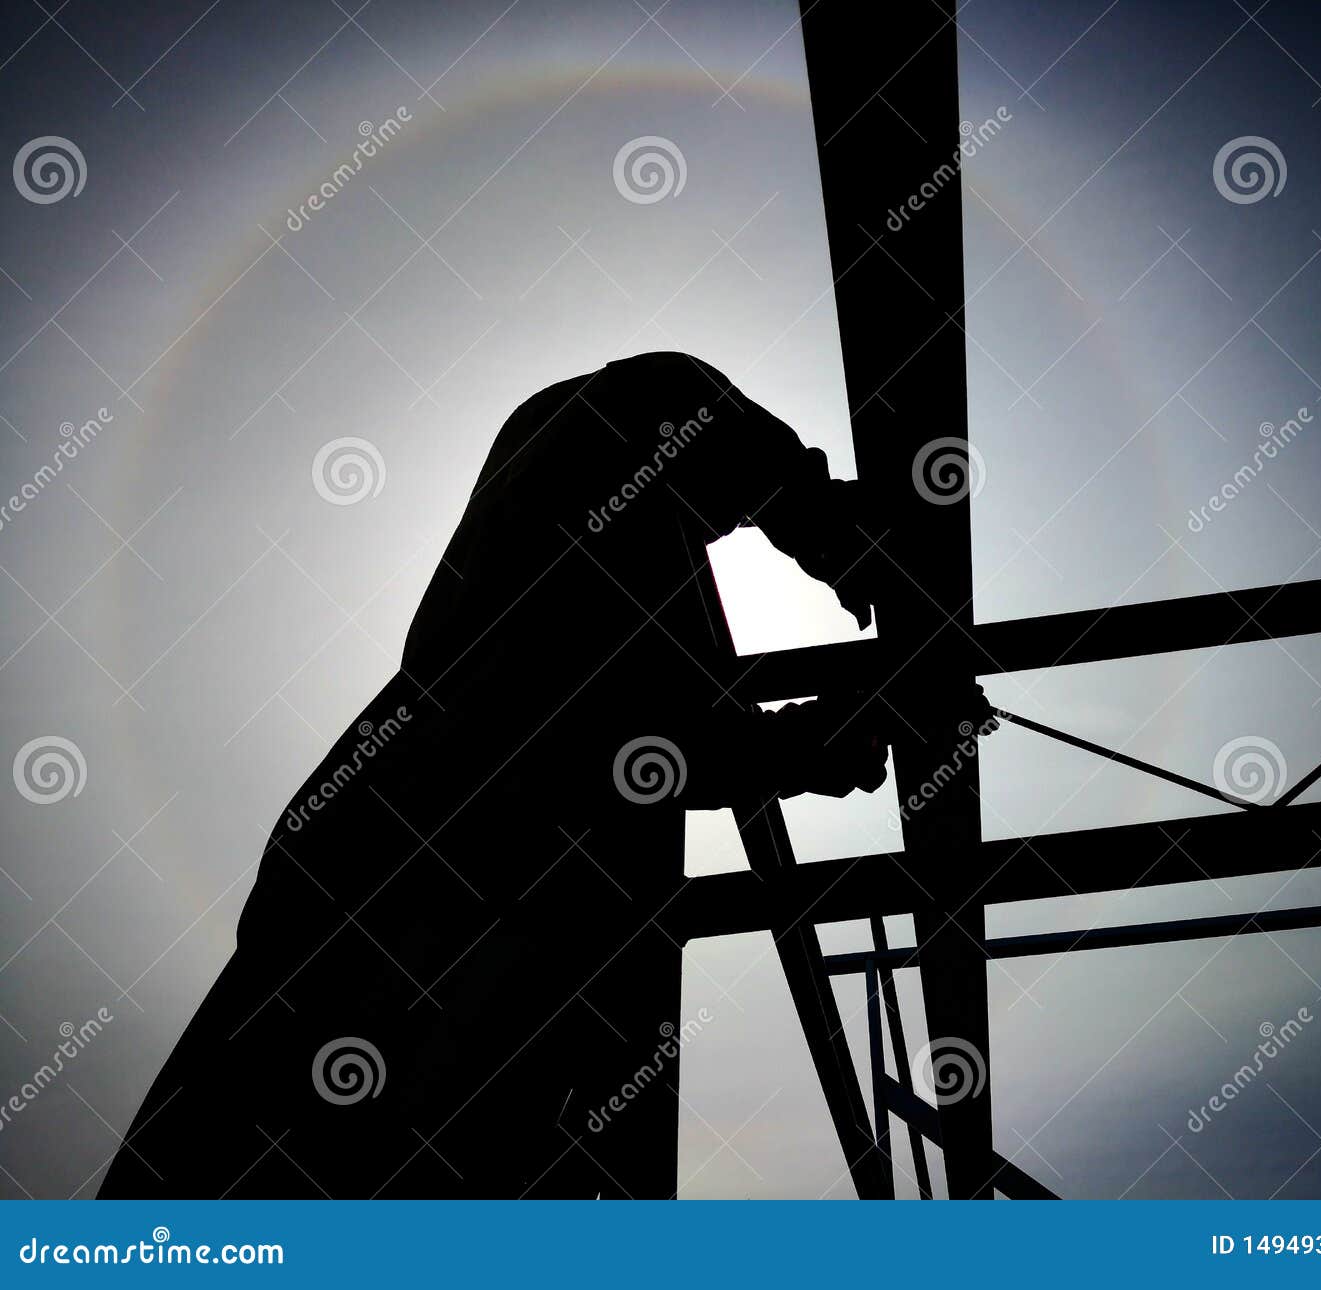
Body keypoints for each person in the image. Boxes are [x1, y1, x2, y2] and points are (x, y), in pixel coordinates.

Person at [101, 352, 889, 1198]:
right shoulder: (569, 580)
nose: (732, 520)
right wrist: (828, 578)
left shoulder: (578, 586)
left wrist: (815, 702)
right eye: (729, 499)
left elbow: (625, 747)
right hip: (432, 920)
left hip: (426, 932)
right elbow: (596, 750)